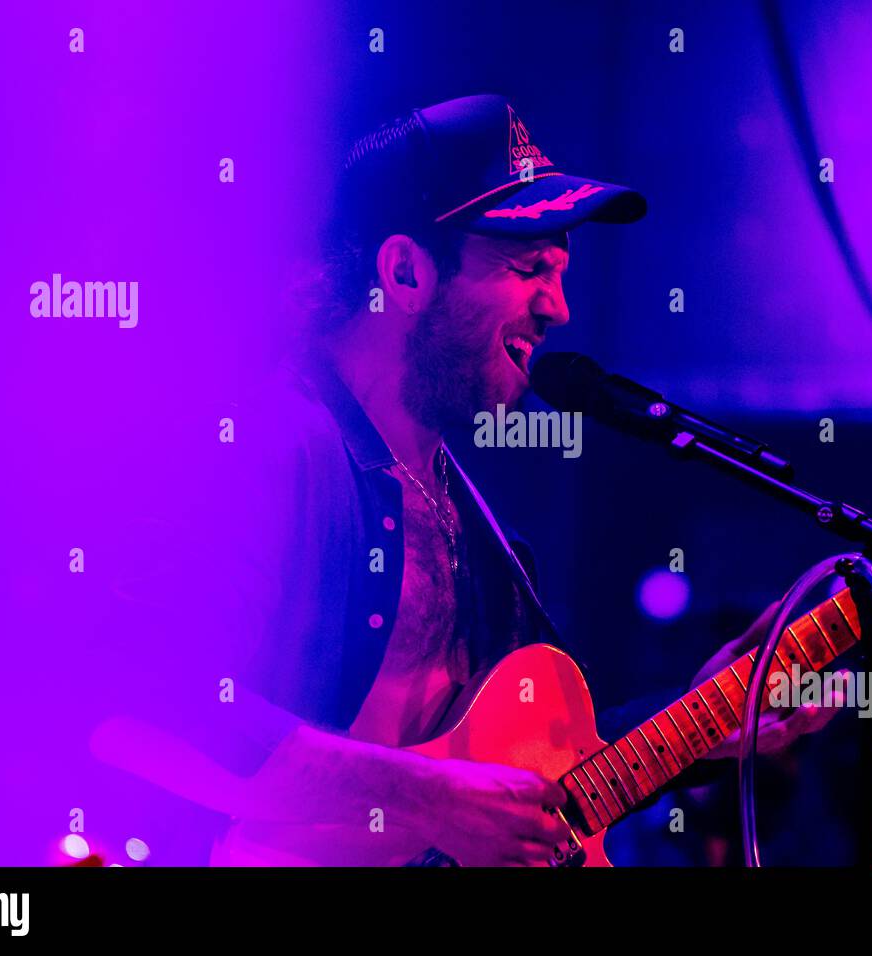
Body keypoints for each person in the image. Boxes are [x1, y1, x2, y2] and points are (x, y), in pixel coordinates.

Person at [96, 95, 833, 866]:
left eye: (561, 272)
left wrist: (701, 723)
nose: (558, 308)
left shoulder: (481, 531)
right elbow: (139, 699)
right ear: (406, 271)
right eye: (528, 267)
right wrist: (425, 797)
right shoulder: (265, 447)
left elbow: (528, 788)